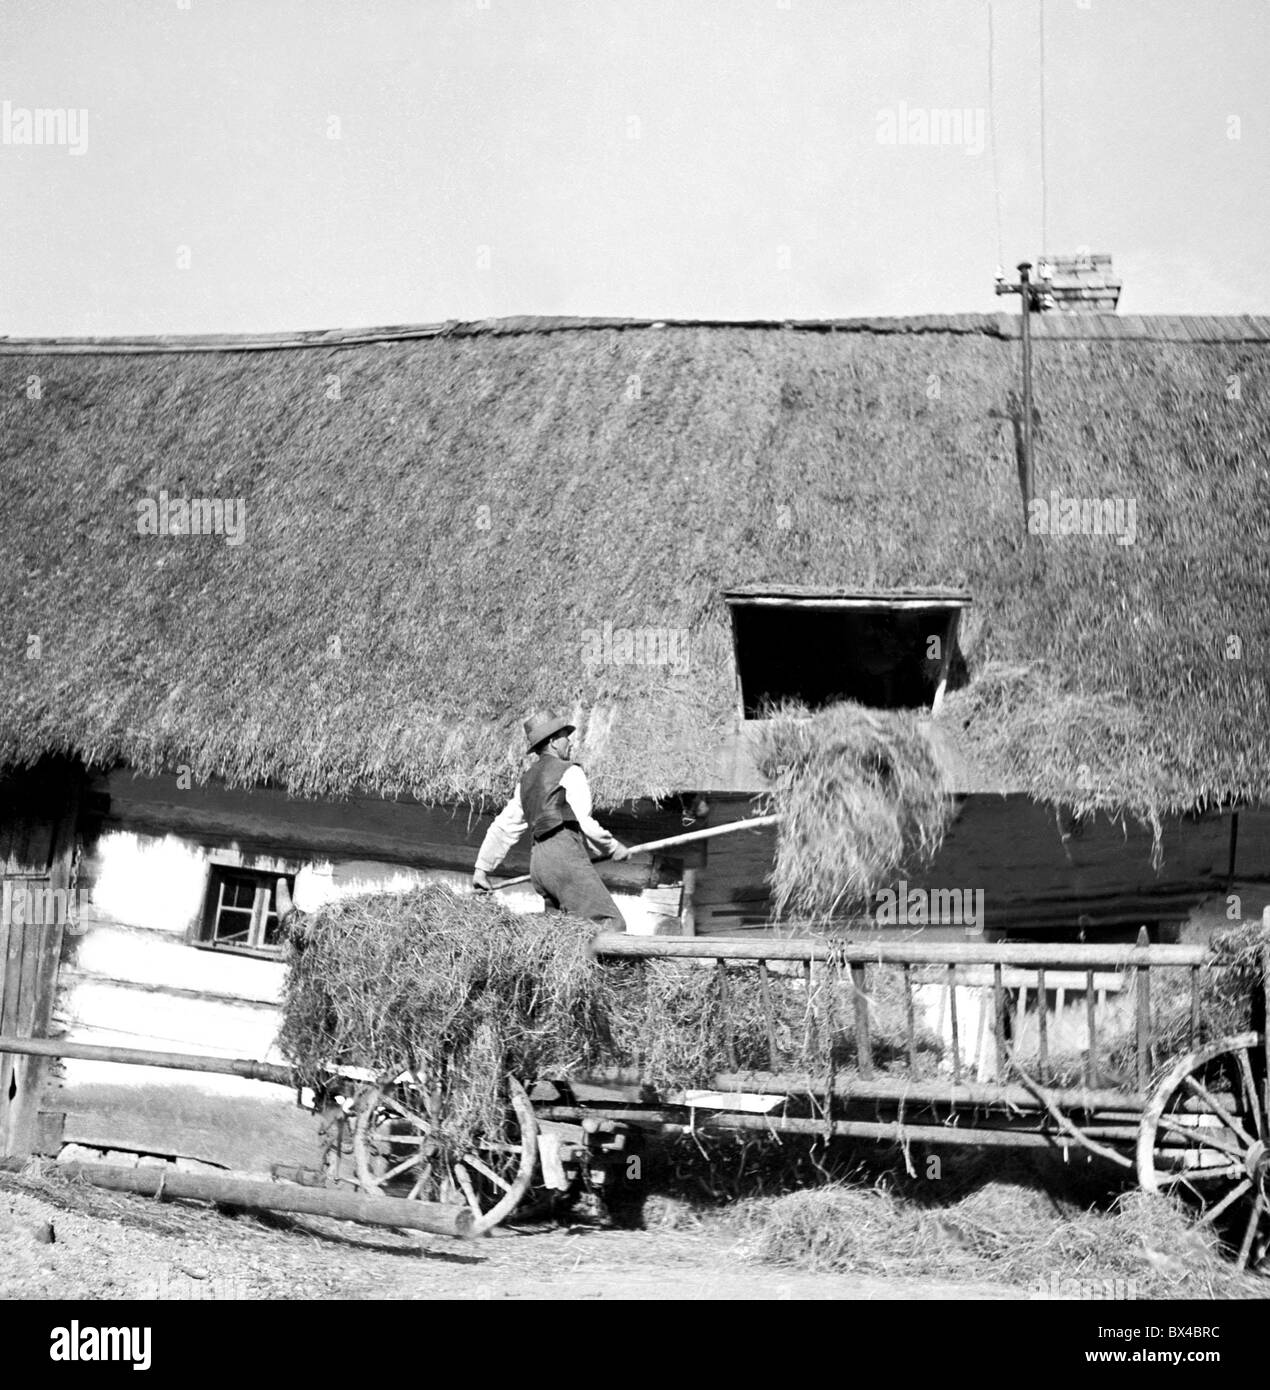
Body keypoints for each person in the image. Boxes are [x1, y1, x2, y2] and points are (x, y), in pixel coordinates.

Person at [472, 714, 630, 928]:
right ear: (554, 742)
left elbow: (503, 827)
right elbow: (585, 822)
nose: (570, 742)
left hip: (539, 864)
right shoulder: (570, 772)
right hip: (563, 858)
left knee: (563, 930)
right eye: (566, 736)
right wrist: (612, 847)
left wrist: (482, 869)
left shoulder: (526, 781)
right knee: (611, 923)